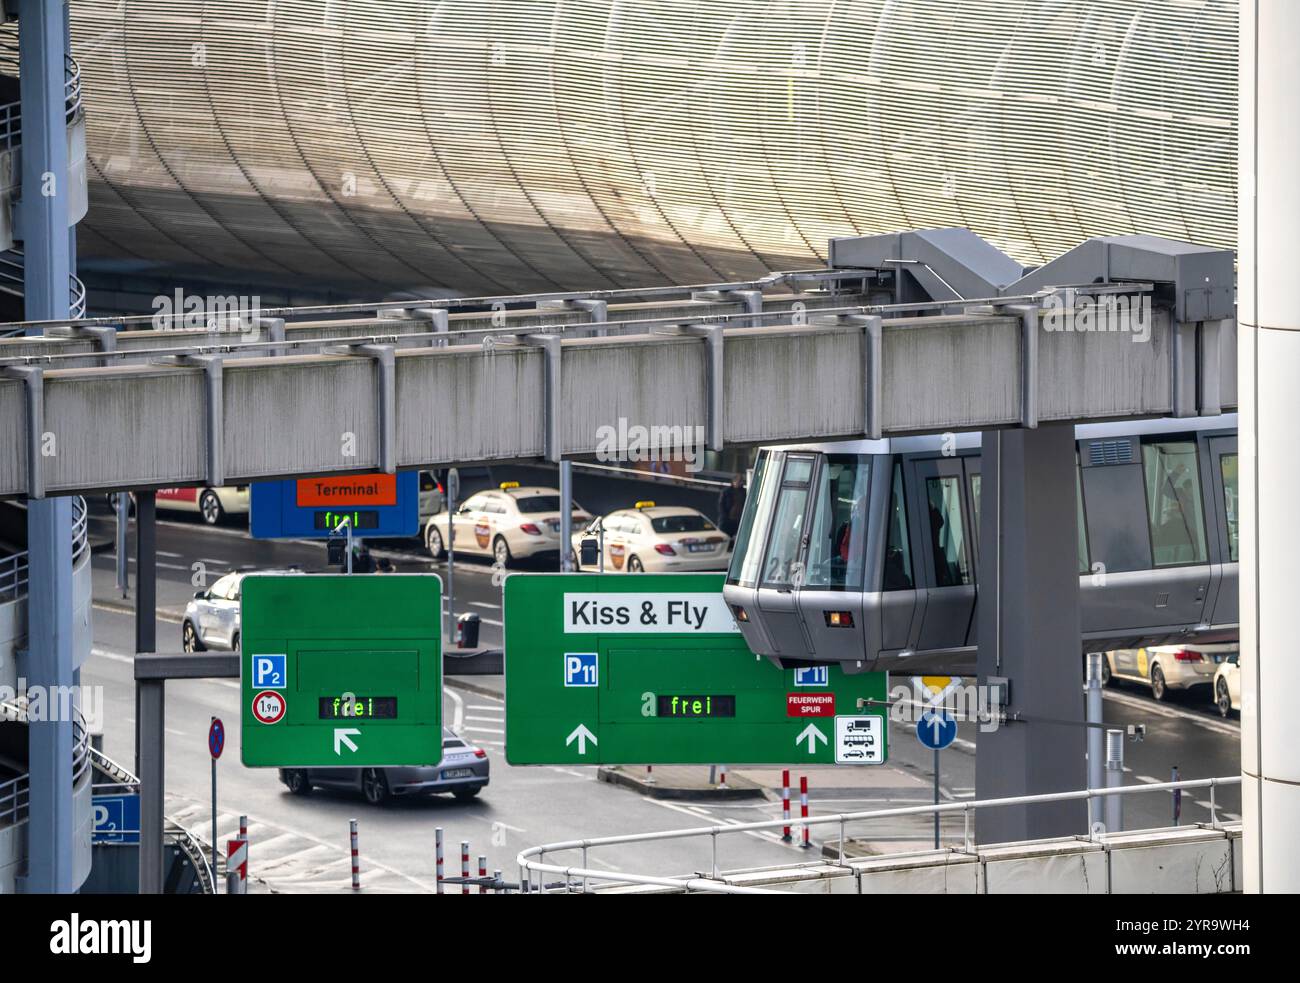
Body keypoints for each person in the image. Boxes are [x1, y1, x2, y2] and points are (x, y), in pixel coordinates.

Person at [718, 474, 746, 540]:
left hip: (738, 517)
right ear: (733, 482)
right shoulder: (726, 491)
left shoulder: (743, 492)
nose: (739, 483)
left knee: (735, 535)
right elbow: (721, 504)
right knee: (725, 535)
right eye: (738, 481)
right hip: (728, 517)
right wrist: (724, 515)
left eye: (741, 482)